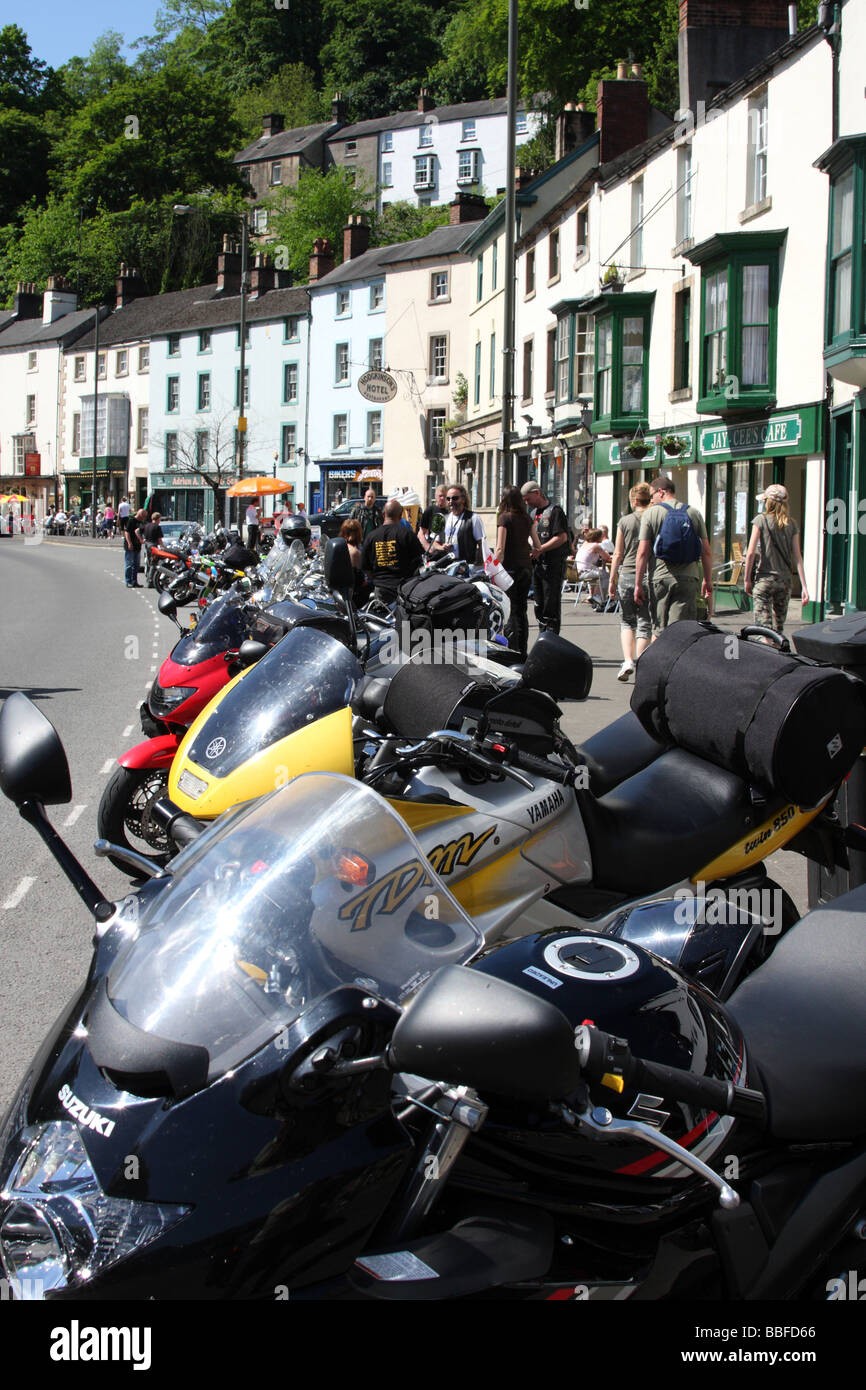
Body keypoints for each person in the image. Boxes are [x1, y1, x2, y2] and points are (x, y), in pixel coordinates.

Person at [634, 476, 713, 630]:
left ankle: (660, 654)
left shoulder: (650, 514)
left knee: (660, 630)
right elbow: (707, 551)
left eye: (652, 496)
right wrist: (707, 580)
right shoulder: (693, 512)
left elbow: (642, 552)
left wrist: (638, 584)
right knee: (681, 630)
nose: (651, 500)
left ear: (661, 492)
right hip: (688, 578)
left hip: (660, 578)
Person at [743, 483, 808, 635]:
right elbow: (797, 556)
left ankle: (766, 652)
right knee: (778, 629)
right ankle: (779, 651)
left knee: (763, 629)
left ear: (768, 501)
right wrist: (804, 586)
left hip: (764, 580)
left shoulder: (760, 520)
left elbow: (751, 552)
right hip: (784, 581)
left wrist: (747, 579)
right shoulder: (792, 524)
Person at [608, 482, 653, 681]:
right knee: (645, 621)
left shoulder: (625, 521)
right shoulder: (655, 518)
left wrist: (611, 579)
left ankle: (628, 660)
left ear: (634, 500)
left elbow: (617, 553)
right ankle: (642, 663)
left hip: (627, 574)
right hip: (649, 575)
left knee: (627, 621)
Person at [494, 487, 540, 659]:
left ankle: (511, 650)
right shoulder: (527, 519)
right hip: (526, 568)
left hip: (509, 569)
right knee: (521, 611)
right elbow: (538, 545)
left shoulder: (504, 518)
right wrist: (531, 553)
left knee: (509, 610)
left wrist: (492, 567)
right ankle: (522, 649)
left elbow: (500, 548)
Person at [521, 480, 570, 634]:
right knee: (539, 604)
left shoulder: (554, 511)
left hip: (553, 564)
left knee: (551, 604)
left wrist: (541, 549)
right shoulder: (533, 514)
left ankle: (551, 638)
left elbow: (562, 537)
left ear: (537, 493)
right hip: (537, 565)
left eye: (528, 499)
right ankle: (543, 634)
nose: (527, 503)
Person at [360, 499, 423, 605]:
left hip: (380, 592)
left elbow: (365, 567)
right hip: (405, 592)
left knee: (382, 620)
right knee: (404, 620)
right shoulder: (407, 535)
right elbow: (418, 561)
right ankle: (404, 623)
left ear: (383, 514)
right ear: (400, 515)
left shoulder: (371, 537)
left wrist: (377, 579)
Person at [430, 485, 486, 564]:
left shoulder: (473, 518)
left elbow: (482, 545)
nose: (451, 501)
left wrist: (478, 565)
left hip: (466, 568)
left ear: (463, 499)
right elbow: (434, 543)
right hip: (445, 567)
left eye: (455, 498)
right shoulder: (443, 519)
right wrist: (442, 547)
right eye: (448, 499)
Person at [340, 518, 370, 605]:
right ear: (358, 533)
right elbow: (359, 579)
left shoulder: (339, 547)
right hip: (355, 595)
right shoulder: (354, 552)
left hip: (341, 590)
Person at [575, 528, 610, 602]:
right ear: (598, 537)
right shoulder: (595, 546)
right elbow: (607, 557)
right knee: (606, 574)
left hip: (576, 572)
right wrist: (606, 553)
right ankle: (598, 596)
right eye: (601, 536)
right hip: (585, 572)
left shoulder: (585, 543)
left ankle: (592, 595)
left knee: (598, 572)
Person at [418, 485, 448, 552]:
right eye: (440, 496)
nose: (443, 498)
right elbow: (421, 533)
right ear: (435, 496)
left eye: (445, 496)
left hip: (447, 548)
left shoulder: (451, 511)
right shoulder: (430, 510)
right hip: (433, 548)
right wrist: (427, 547)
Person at [123, 508, 146, 587]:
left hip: (137, 546)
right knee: (129, 564)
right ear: (139, 514)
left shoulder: (141, 522)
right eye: (143, 516)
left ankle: (134, 581)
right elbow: (127, 532)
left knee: (136, 565)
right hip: (130, 545)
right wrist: (129, 543)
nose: (144, 518)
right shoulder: (131, 521)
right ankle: (128, 581)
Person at [143, 512, 164, 588]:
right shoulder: (157, 527)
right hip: (153, 546)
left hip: (147, 545)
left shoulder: (147, 525)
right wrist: (162, 547)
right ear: (158, 519)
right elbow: (159, 539)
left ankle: (148, 578)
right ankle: (150, 581)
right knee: (153, 563)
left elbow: (137, 531)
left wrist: (141, 540)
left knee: (149, 562)